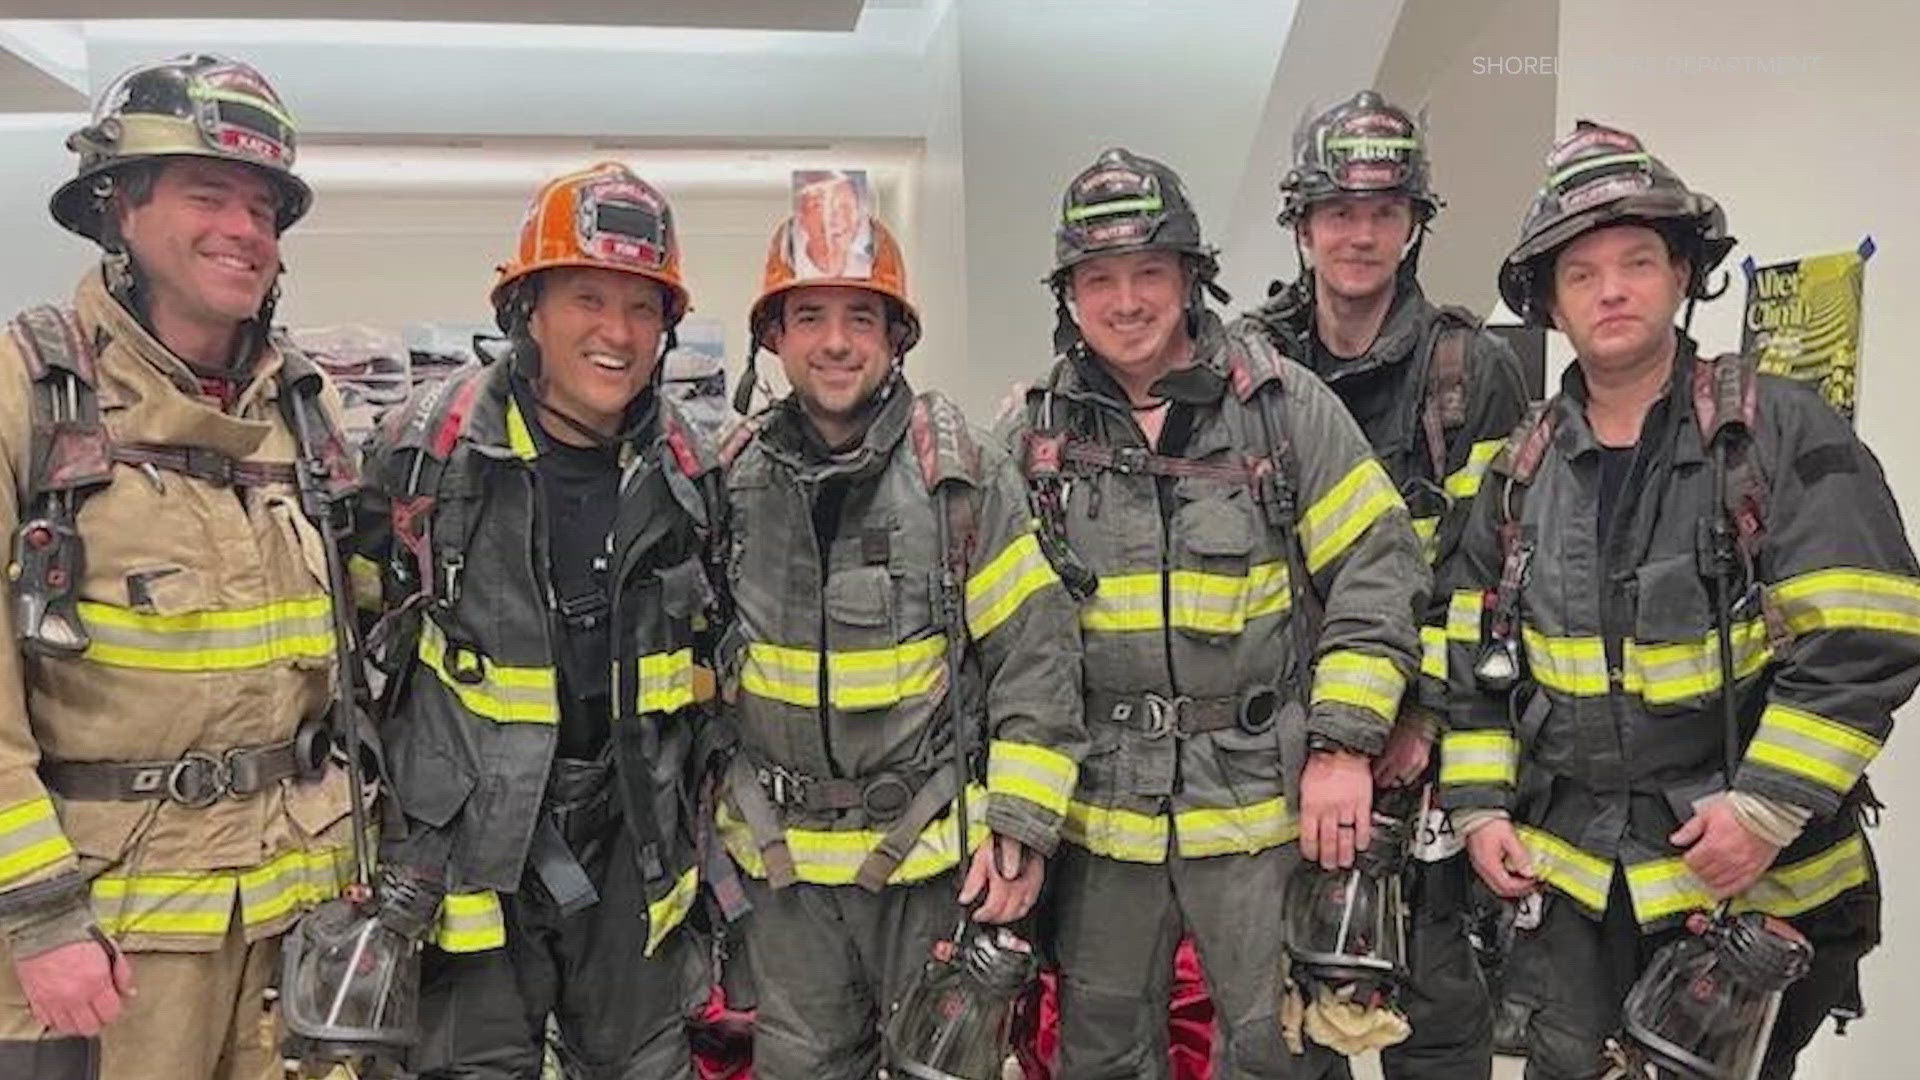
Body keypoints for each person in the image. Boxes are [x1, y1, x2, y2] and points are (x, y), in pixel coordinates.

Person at [1442, 120, 1915, 1079]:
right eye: (1581, 274)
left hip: (1745, 885)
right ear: (1551, 304)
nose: (1611, 290)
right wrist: (1482, 811)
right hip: (1573, 897)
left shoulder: (1776, 433)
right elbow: (1471, 659)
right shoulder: (1512, 473)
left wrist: (1767, 811)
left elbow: (1865, 638)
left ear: (1682, 274)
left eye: (1637, 262)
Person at [1004, 146, 1426, 1079]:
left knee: (1274, 1050)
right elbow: (998, 640)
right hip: (1100, 813)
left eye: (1148, 273)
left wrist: (1344, 745)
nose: (1125, 302)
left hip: (1260, 811)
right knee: (1099, 1054)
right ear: (1068, 294)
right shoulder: (1032, 436)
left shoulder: (1282, 407)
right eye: (1099, 279)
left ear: (1191, 279)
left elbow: (1378, 568)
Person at [0, 54, 359, 1079]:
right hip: (110, 942)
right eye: (210, 195)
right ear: (119, 206)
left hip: (297, 921)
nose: (245, 232)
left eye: (265, 209)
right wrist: (39, 918)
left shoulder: (308, 412)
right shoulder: (28, 398)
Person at [355, 162, 719, 1079]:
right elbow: (345, 663)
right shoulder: (420, 457)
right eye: (589, 298)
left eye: (644, 309)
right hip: (471, 858)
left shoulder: (691, 472)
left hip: (635, 845)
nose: (618, 332)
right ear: (529, 308)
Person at [714, 193, 1084, 1080]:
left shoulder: (960, 480)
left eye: (860, 317)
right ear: (774, 336)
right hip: (784, 874)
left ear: (895, 336)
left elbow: (1035, 655)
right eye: (810, 316)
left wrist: (1022, 828)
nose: (837, 341)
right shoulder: (728, 484)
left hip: (931, 865)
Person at [1241, 90, 1528, 1079]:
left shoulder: (1471, 373)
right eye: (1338, 212)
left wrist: (1425, 726)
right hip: (1277, 746)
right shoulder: (1250, 366)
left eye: (1383, 212)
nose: (1359, 235)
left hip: (1417, 758)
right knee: (1283, 1017)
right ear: (1303, 223)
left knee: (1436, 1014)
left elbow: (1491, 577)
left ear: (1414, 224)